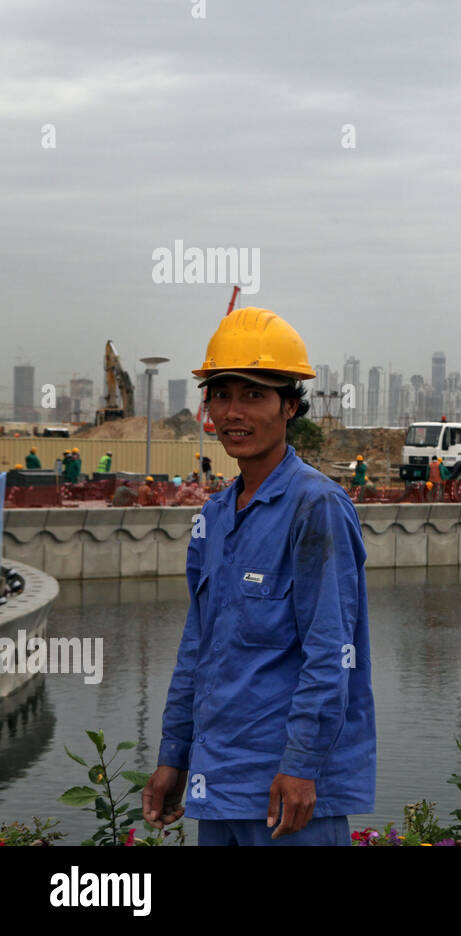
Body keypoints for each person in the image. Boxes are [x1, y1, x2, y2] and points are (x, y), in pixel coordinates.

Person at [144, 306, 375, 847]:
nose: (233, 412)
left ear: (290, 406)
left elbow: (329, 652)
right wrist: (173, 755)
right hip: (218, 783)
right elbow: (196, 648)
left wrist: (302, 767)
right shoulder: (216, 516)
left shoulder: (316, 507)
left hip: (286, 796)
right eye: (221, 395)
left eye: (254, 395)